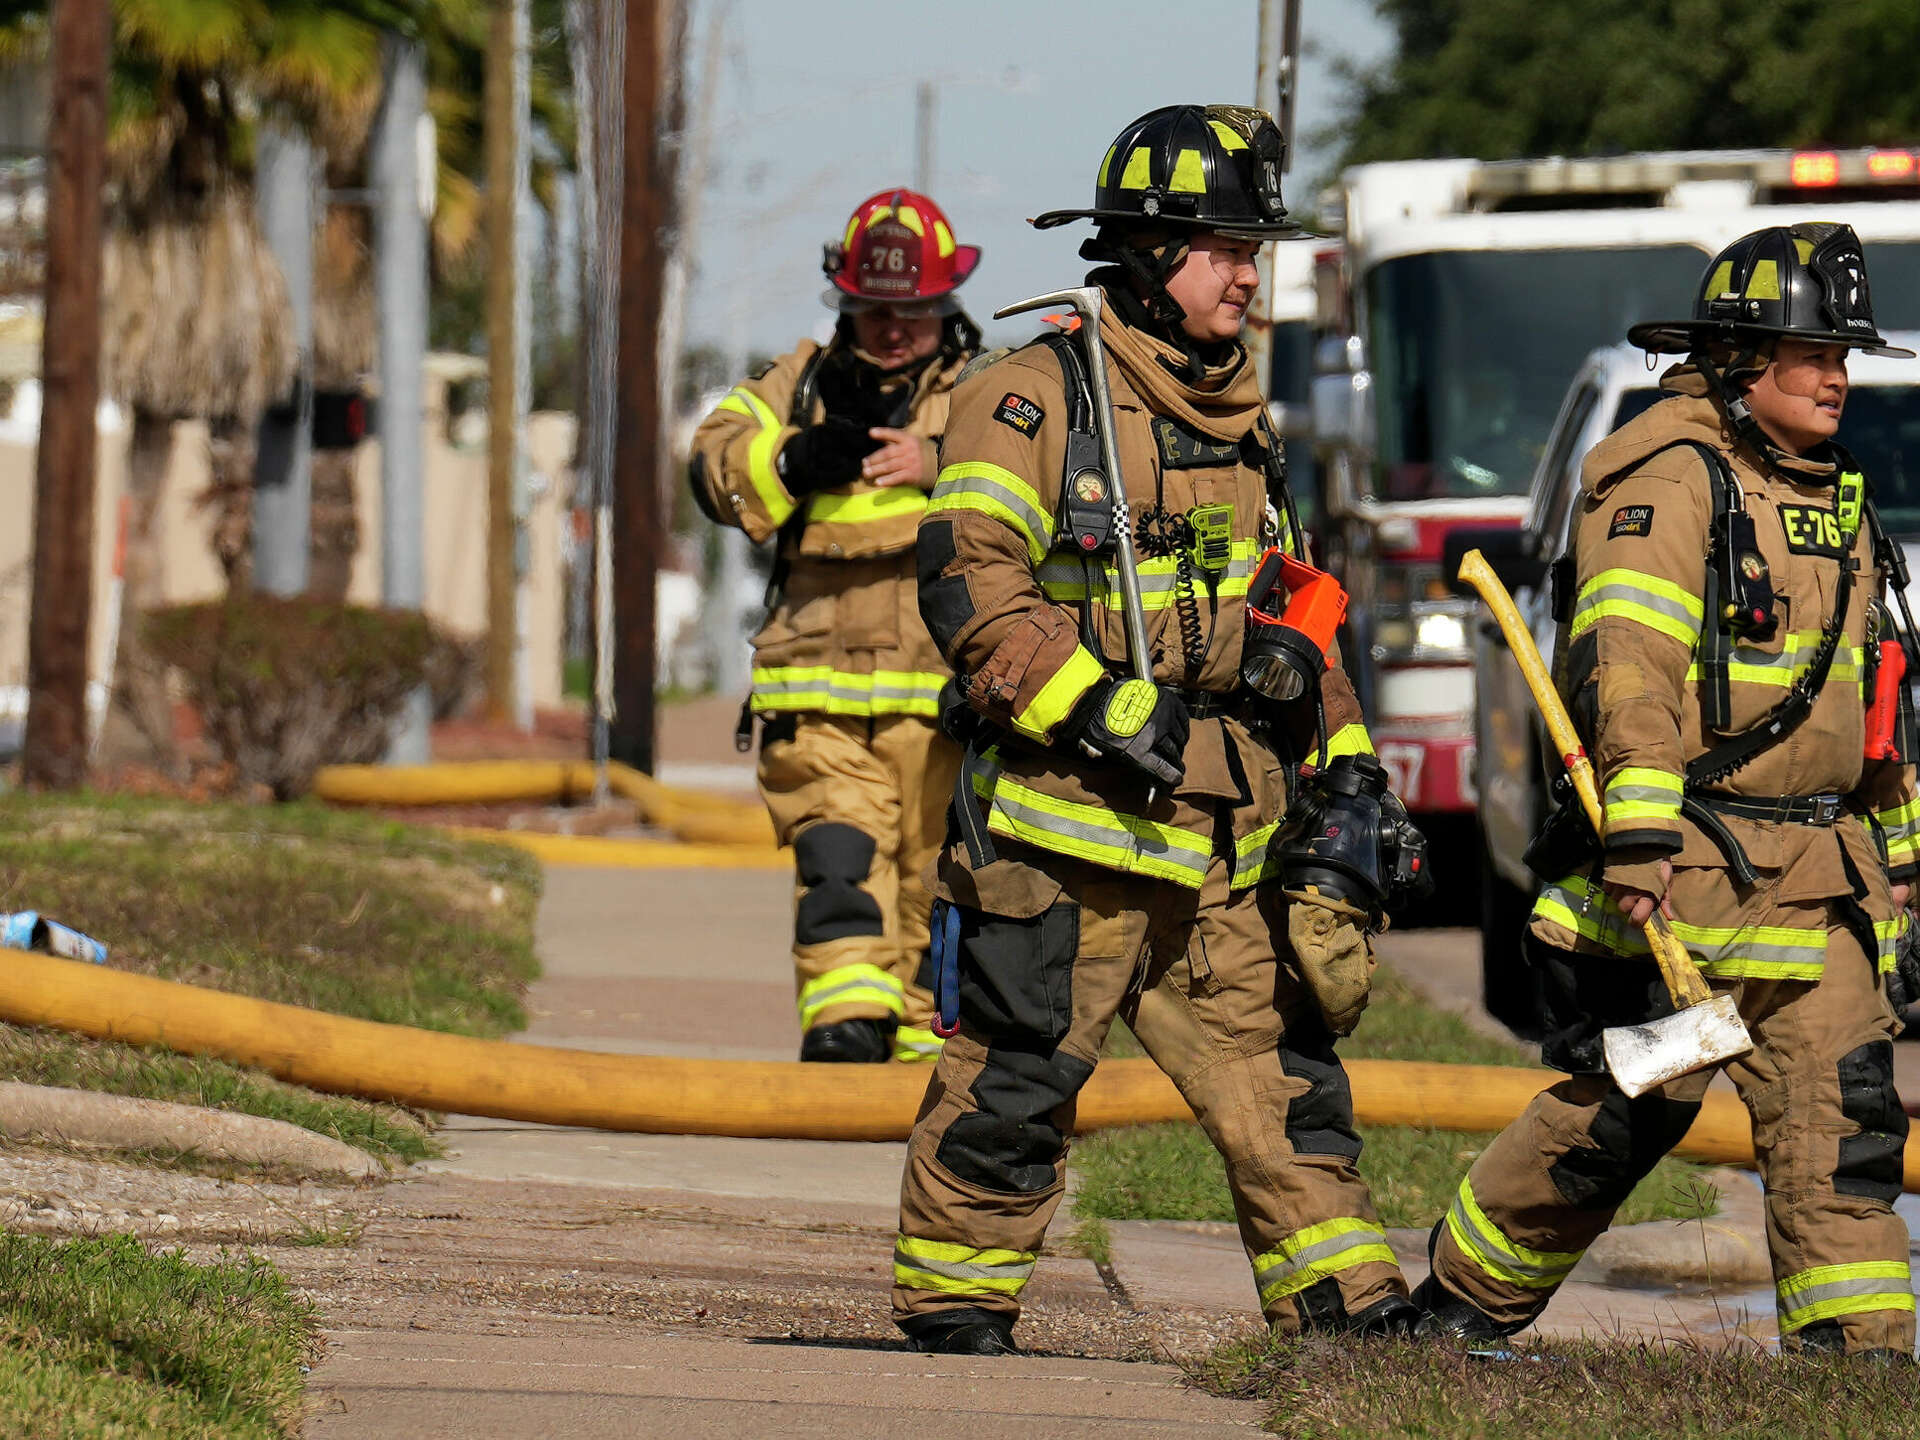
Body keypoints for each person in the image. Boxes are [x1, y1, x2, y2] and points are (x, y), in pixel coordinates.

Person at [891, 104, 1419, 1356]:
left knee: (1287, 1078)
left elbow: (1300, 612)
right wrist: (1112, 709)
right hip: (1064, 831)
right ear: (1143, 253)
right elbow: (972, 588)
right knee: (1015, 1084)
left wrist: (1345, 764)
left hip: (1220, 837)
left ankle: (1346, 1310)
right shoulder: (1026, 401)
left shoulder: (1249, 424)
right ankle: (954, 1314)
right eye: (1224, 247)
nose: (1249, 273)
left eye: (1257, 248)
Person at [1416, 223, 1917, 1360]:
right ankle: (1455, 1311)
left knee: (1848, 1132)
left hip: (1822, 885)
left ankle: (1862, 1369)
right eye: (1812, 353)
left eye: (1844, 354)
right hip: (1682, 874)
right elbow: (1630, 672)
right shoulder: (1669, 481)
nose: (1838, 376)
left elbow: (1872, 701)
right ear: (1744, 361)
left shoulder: (1838, 499)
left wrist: (1904, 860)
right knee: (1628, 1111)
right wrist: (1638, 839)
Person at [688, 189, 983, 1064]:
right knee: (839, 871)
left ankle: (934, 1061)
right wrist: (788, 457)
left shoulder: (984, 394)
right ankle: (843, 1032)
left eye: (916, 312)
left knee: (943, 886)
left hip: (945, 704)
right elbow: (711, 458)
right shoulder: (800, 383)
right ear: (846, 300)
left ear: (945, 303)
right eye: (876, 310)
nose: (896, 331)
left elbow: (1050, 474)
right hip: (814, 695)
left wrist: (941, 463)